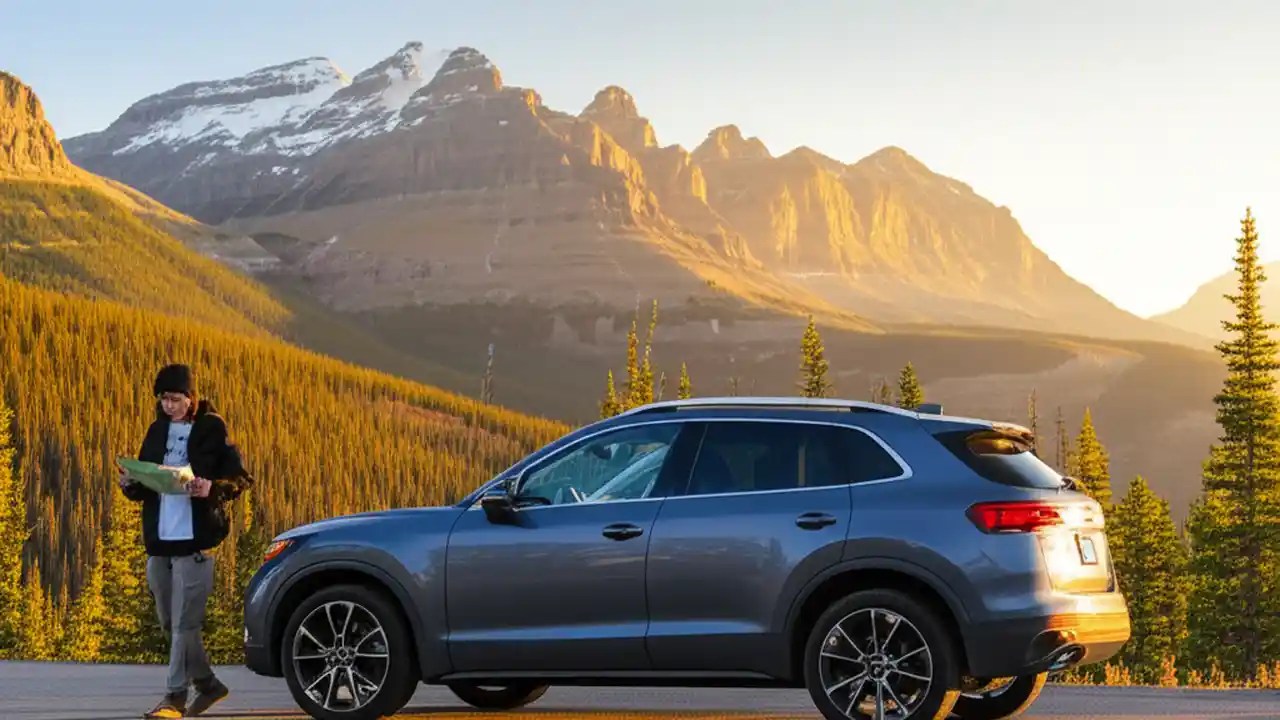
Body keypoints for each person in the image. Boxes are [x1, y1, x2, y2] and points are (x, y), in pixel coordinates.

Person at [117, 364, 254, 719]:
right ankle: (208, 686)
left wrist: (212, 488)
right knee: (168, 623)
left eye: (175, 399)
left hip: (195, 543)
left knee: (184, 625)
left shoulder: (212, 428)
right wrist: (131, 484)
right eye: (164, 399)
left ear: (190, 398)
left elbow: (240, 479)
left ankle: (173, 699)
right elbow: (145, 480)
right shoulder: (156, 430)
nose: (169, 406)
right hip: (160, 541)